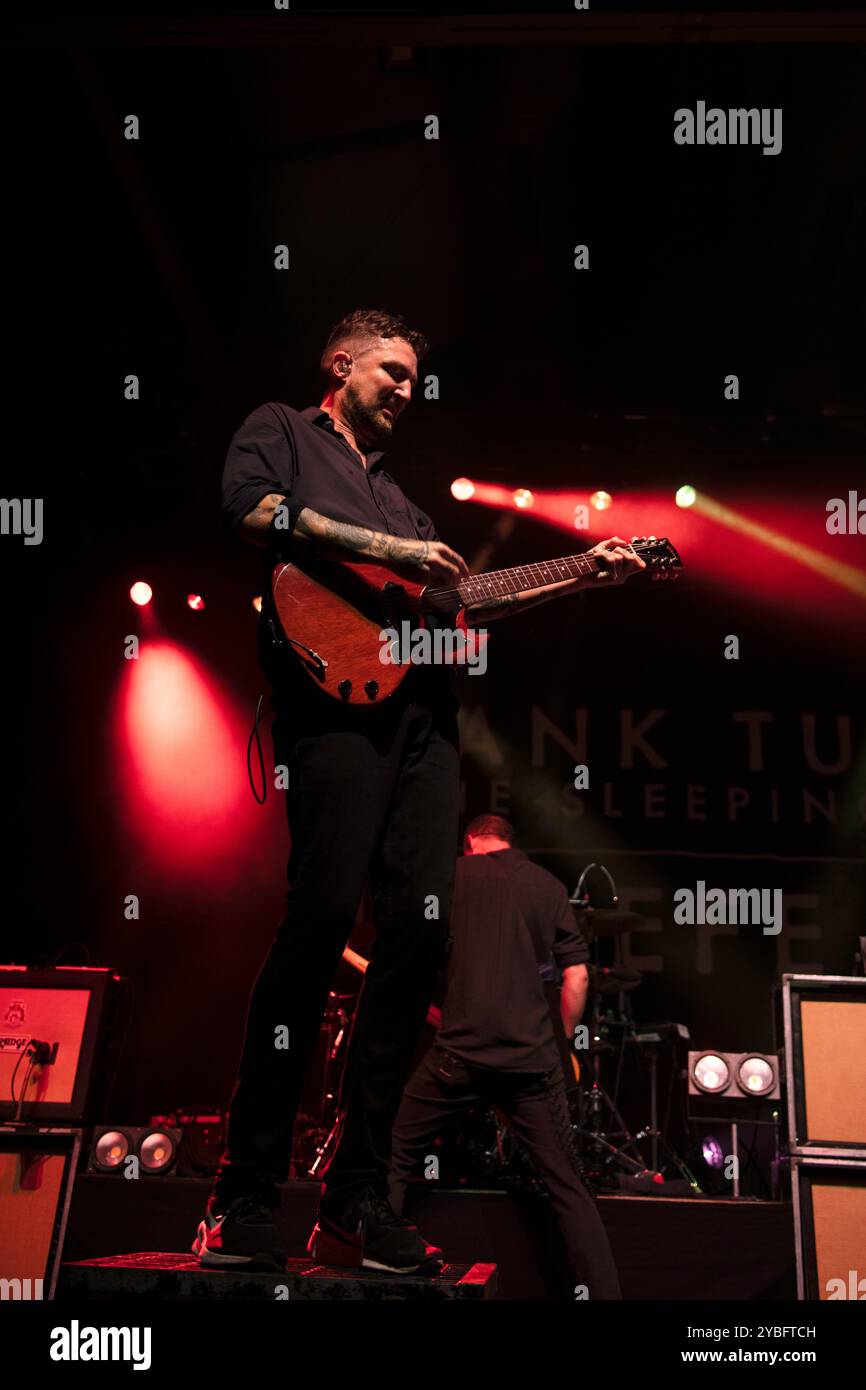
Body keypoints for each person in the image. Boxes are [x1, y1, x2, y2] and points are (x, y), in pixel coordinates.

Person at [193, 307, 644, 1275]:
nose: (405, 388)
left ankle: (356, 1196)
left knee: (417, 938)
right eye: (390, 371)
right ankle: (242, 1191)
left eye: (413, 377)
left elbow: (455, 606)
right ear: (339, 363)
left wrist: (579, 576)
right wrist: (389, 553)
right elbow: (249, 511)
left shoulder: (405, 503)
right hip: (332, 711)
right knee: (315, 926)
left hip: (419, 723)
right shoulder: (281, 429)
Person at [387, 815, 622, 1298]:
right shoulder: (548, 885)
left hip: (458, 1056)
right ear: (509, 842)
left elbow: (415, 950)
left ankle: (375, 1265)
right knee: (568, 1187)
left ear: (471, 842)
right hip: (532, 1066)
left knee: (394, 1152)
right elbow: (576, 976)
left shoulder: (452, 875)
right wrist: (561, 1044)